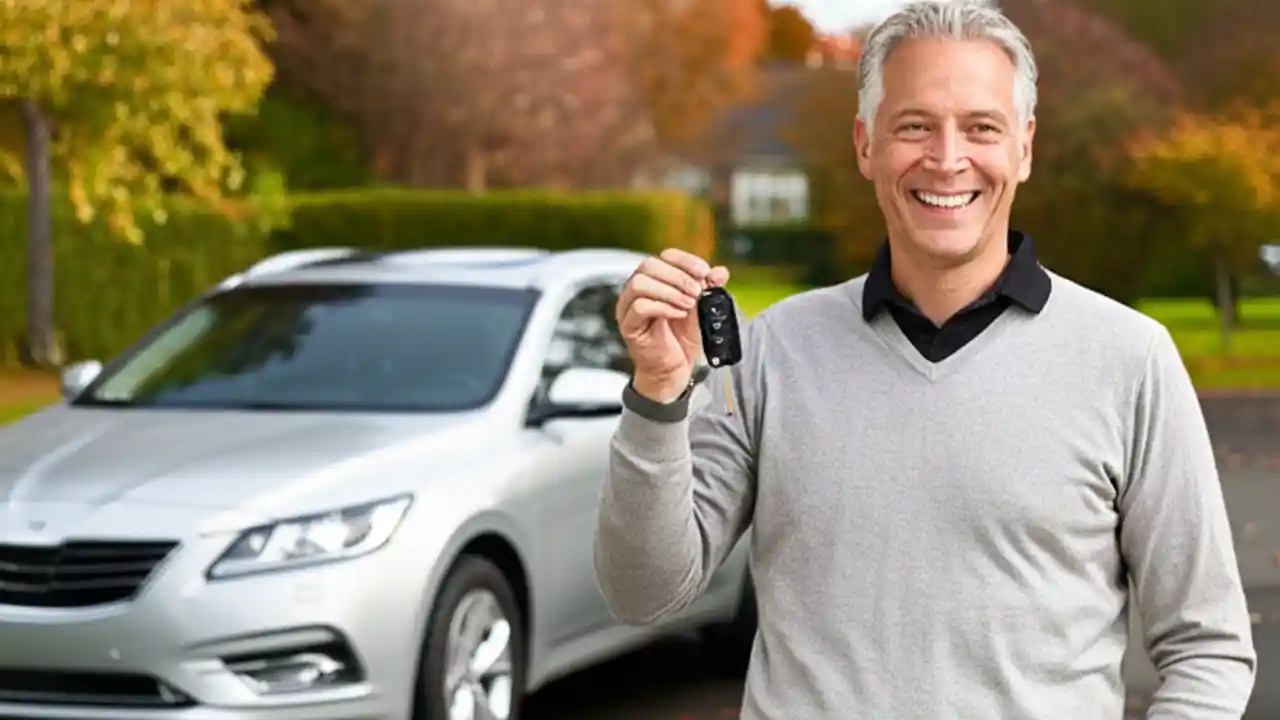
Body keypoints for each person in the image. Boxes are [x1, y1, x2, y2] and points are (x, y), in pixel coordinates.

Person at [594, 0, 1257, 718]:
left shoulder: (1130, 360)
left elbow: (1207, 649)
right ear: (865, 144)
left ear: (1024, 147)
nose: (947, 159)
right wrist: (660, 395)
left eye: (981, 128)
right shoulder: (771, 352)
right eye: (914, 126)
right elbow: (643, 591)